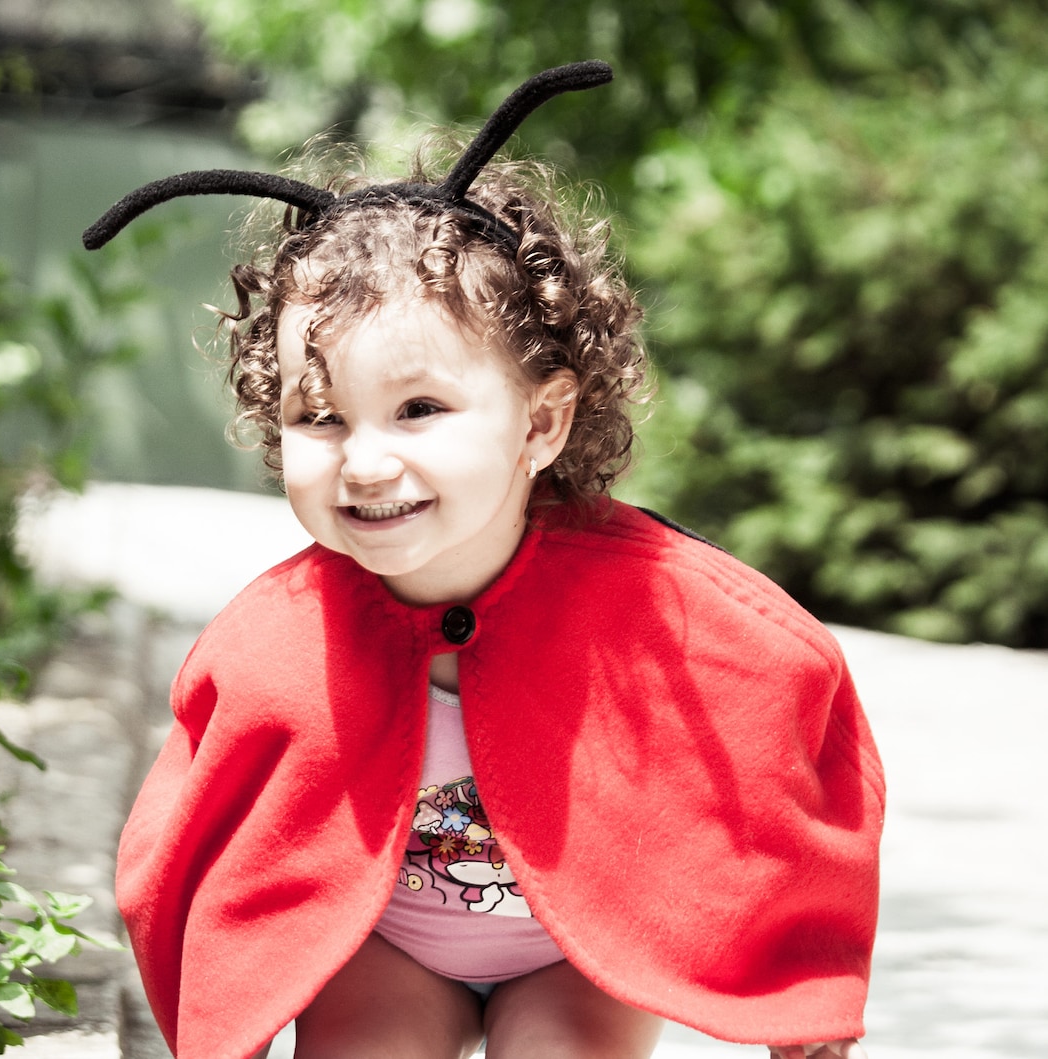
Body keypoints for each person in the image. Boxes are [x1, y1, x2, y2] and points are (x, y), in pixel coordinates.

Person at [84, 63, 884, 1059]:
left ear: (540, 421)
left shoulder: (668, 613)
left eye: (419, 409)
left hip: (573, 951)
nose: (367, 459)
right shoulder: (269, 643)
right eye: (319, 416)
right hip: (382, 947)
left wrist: (798, 1002)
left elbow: (783, 740)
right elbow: (185, 843)